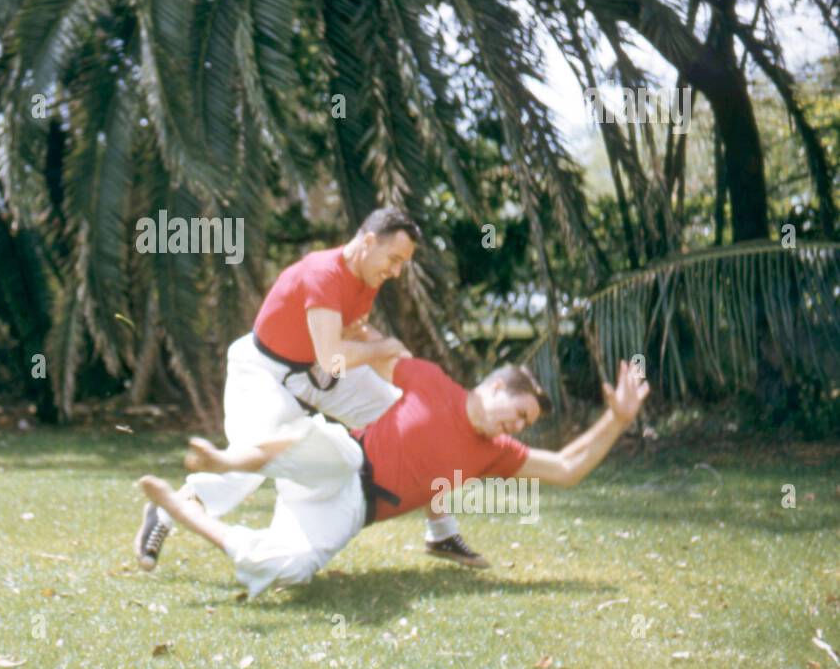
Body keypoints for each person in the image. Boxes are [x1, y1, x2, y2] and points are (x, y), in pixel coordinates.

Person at [134, 208, 490, 571]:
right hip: (264, 372)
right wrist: (382, 348)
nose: (397, 272)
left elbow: (352, 337)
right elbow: (334, 357)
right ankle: (166, 509)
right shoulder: (323, 274)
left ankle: (441, 531)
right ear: (368, 242)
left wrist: (408, 370)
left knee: (413, 420)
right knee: (254, 462)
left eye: (403, 263)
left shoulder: (368, 274)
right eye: (395, 259)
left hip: (314, 369)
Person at [138, 357, 649, 599]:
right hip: (344, 460)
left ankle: (182, 510)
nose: (515, 427)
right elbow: (371, 347)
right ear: (493, 386)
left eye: (523, 426)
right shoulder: (431, 382)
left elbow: (566, 467)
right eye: (515, 413)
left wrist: (618, 419)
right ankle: (224, 464)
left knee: (289, 568)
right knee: (323, 444)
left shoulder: (495, 453)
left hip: (352, 510)